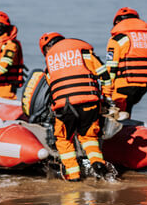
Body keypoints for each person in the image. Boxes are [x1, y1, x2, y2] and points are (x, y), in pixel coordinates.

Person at [39, 32, 112, 181]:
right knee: (89, 137)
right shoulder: (83, 53)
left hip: (64, 106)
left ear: (47, 49)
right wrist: (106, 99)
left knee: (64, 139)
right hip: (90, 102)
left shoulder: (50, 64)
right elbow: (104, 75)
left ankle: (73, 176)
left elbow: (51, 87)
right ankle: (98, 164)